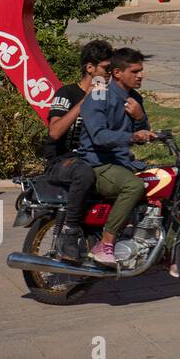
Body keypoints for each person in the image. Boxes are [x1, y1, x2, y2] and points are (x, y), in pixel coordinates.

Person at [76, 47, 153, 266]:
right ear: (117, 73)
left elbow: (143, 130)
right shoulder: (100, 95)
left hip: (123, 162)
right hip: (98, 164)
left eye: (141, 70)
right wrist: (132, 137)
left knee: (166, 182)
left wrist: (139, 118)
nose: (140, 75)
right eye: (135, 71)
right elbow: (99, 136)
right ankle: (106, 244)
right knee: (133, 187)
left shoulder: (134, 97)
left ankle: (166, 250)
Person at [42, 39, 113, 263]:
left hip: (92, 158)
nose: (110, 74)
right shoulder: (67, 93)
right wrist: (84, 103)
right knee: (84, 173)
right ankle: (70, 233)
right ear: (90, 68)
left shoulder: (106, 95)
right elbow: (54, 132)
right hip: (63, 161)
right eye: (105, 68)